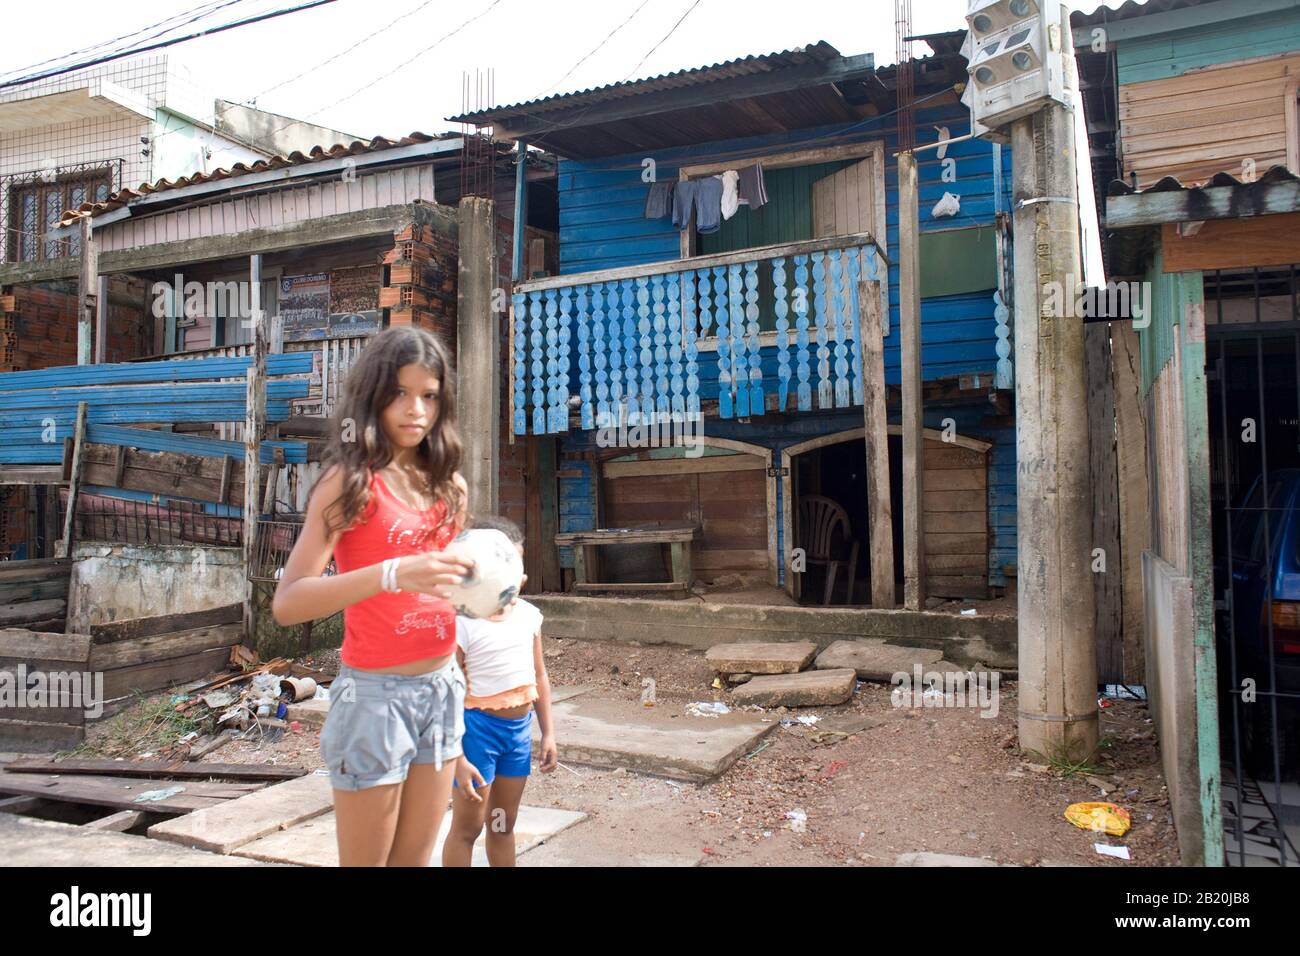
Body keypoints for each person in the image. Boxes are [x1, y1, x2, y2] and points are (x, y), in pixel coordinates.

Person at [272, 326, 486, 867]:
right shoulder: (349, 483)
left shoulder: (449, 488)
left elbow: (451, 601)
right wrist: (391, 574)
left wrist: (492, 589)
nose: (416, 409)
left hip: (441, 692)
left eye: (430, 395)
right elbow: (288, 602)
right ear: (373, 396)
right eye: (400, 393)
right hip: (375, 700)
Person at [442, 515, 557, 867]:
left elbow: (539, 676)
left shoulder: (529, 616)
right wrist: (457, 758)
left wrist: (548, 733)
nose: (517, 575)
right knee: (468, 828)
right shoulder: (463, 621)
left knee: (502, 824)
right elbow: (444, 693)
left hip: (517, 734)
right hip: (475, 733)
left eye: (518, 563)